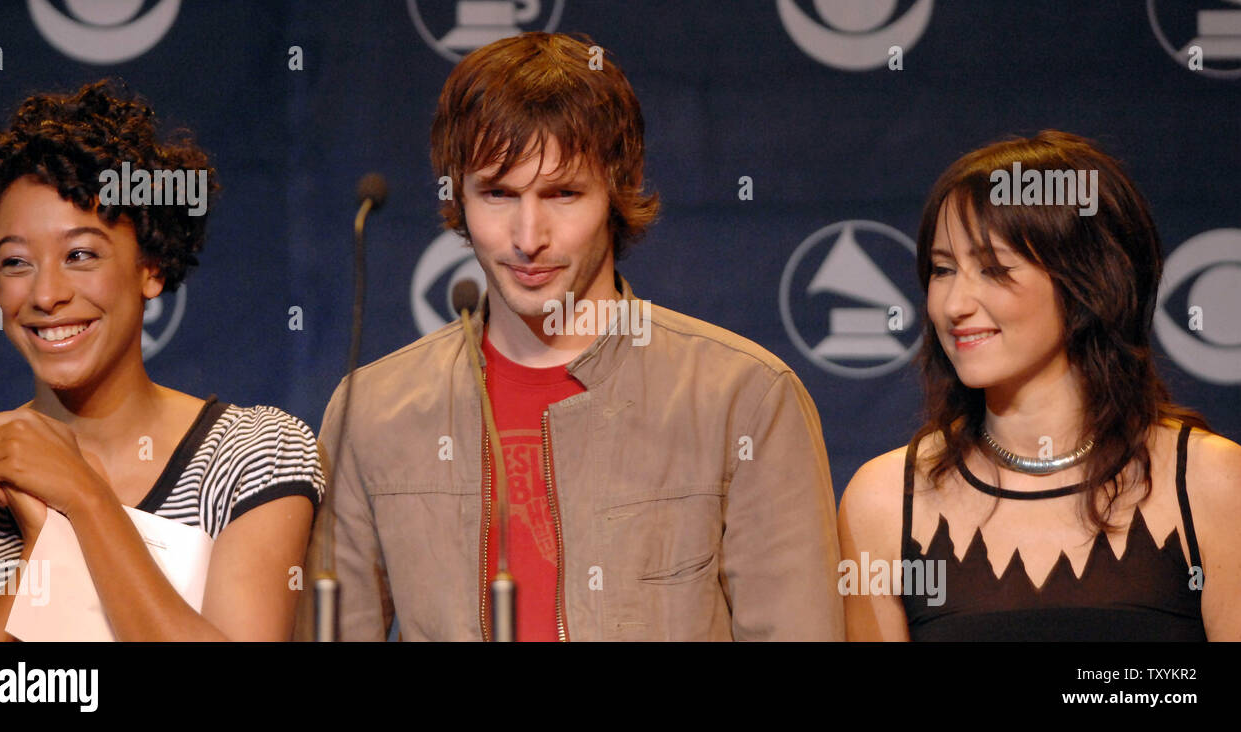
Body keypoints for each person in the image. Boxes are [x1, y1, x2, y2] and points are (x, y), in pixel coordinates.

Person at [310, 33, 843, 641]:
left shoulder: (744, 398)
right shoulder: (373, 409)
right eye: (498, 194)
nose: (528, 235)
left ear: (618, 187)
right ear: (459, 194)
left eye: (562, 193)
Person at [0, 80, 324, 641]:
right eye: (16, 262)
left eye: (80, 254)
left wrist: (85, 499)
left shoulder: (255, 453)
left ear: (150, 267)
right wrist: (42, 541)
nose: (46, 294)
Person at [838, 131, 1241, 641]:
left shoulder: (1211, 481)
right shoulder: (885, 499)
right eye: (943, 269)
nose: (953, 304)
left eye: (992, 268)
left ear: (1089, 282)